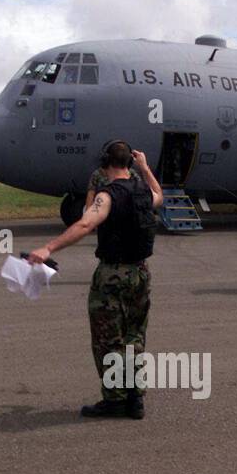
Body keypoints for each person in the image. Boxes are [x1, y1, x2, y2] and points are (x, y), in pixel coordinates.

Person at [27, 140, 162, 419]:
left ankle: (115, 400)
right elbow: (159, 194)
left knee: (107, 340)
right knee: (134, 337)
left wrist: (48, 248)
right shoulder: (143, 192)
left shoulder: (107, 195)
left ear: (104, 163)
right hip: (140, 274)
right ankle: (135, 397)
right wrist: (146, 168)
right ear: (129, 163)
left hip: (112, 275)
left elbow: (86, 224)